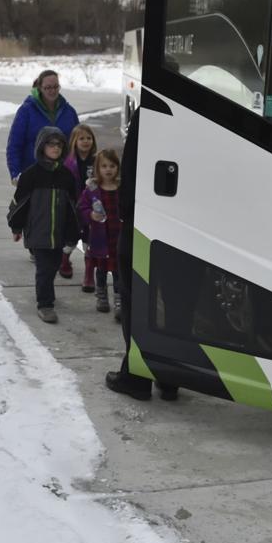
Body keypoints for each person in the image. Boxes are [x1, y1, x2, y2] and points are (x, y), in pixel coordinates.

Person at [104, 107, 179, 401]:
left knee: (135, 296)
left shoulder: (149, 112)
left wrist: (125, 212)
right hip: (183, 223)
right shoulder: (195, 113)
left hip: (144, 216)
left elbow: (132, 164)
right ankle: (171, 376)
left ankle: (136, 376)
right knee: (177, 301)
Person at [7, 127, 79, 324]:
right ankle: (45, 305)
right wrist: (16, 227)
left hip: (58, 232)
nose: (55, 148)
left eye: (59, 144)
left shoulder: (66, 176)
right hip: (38, 231)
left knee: (54, 265)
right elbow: (19, 203)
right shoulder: (31, 175)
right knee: (45, 269)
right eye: (51, 144)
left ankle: (46, 292)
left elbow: (72, 207)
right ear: (41, 147)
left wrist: (73, 232)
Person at [5, 69, 80, 184]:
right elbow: (14, 145)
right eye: (48, 87)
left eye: (56, 87)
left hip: (62, 176)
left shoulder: (69, 112)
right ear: (39, 88)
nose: (52, 91)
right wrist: (15, 173)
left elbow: (77, 144)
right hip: (32, 176)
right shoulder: (26, 111)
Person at [77, 149, 123, 315]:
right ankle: (102, 296)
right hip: (100, 236)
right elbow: (81, 207)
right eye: (104, 166)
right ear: (97, 168)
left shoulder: (121, 188)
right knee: (101, 268)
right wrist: (90, 215)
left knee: (118, 270)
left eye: (112, 166)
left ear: (117, 168)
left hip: (118, 237)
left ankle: (119, 299)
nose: (108, 169)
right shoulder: (92, 189)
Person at [63, 123, 98, 286]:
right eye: (81, 138)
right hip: (72, 208)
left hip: (91, 208)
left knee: (89, 241)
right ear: (74, 142)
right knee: (70, 240)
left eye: (89, 138)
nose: (85, 141)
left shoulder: (97, 161)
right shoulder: (69, 163)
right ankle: (64, 259)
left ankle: (89, 275)